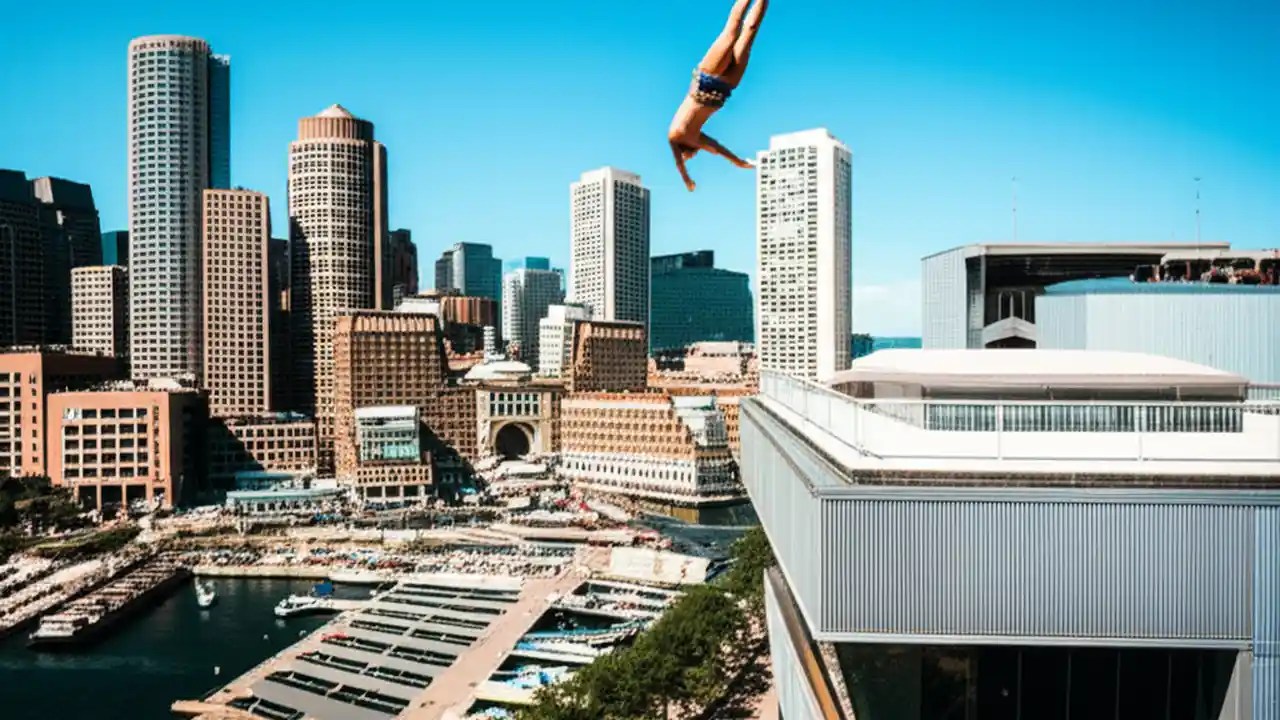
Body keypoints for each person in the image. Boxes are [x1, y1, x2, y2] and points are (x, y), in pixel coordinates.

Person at [667, 0, 769, 191]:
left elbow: (678, 164)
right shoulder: (699, 139)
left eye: (687, 158)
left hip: (706, 80)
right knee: (750, 32)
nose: (689, 159)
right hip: (725, 86)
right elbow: (721, 150)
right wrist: (739, 162)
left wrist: (687, 180)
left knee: (731, 33)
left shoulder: (674, 136)